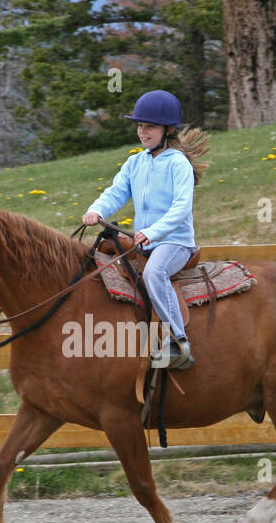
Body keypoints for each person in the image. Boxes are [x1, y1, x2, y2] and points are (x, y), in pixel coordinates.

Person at [82, 90, 210, 370]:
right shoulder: (135, 163)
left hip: (174, 242)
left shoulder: (178, 164)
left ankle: (179, 343)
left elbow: (181, 208)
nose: (143, 131)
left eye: (149, 126)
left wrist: (154, 231)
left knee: (154, 272)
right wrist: (97, 210)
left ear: (168, 129)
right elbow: (115, 192)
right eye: (140, 126)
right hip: (144, 243)